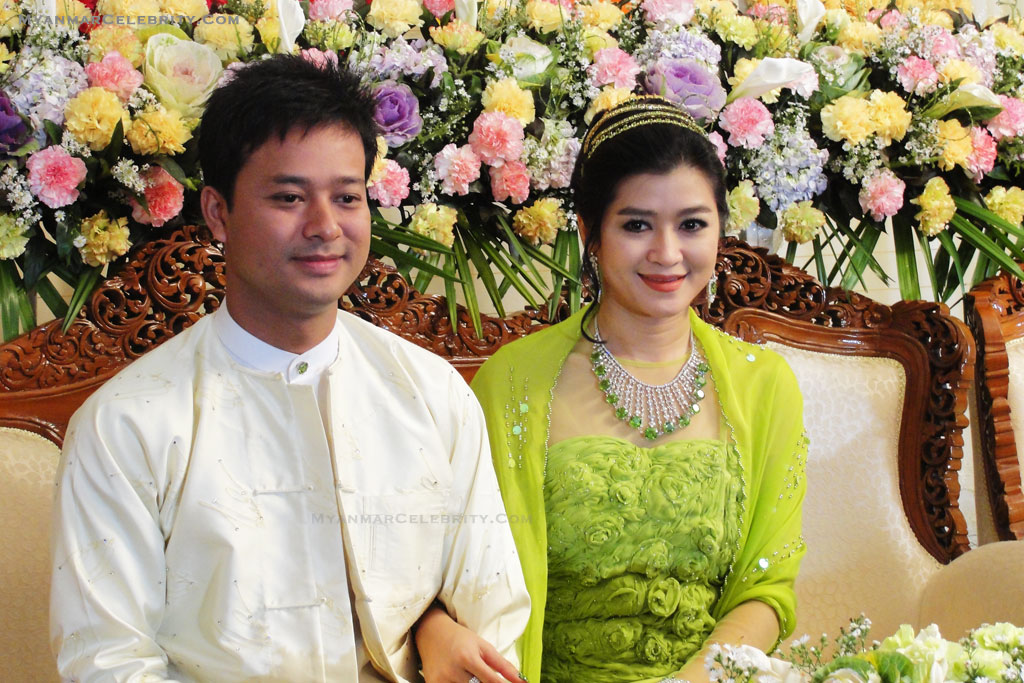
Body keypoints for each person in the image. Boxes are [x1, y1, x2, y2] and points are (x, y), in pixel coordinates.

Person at [50, 55, 530, 682]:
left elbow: (489, 614)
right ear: (218, 212)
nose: (325, 226)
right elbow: (108, 664)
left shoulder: (431, 393)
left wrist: (437, 629)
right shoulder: (126, 426)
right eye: (288, 197)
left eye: (347, 197)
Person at [469, 96, 808, 682]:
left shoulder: (764, 384)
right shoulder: (513, 383)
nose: (667, 254)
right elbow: (473, 579)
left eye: (692, 225)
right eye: (636, 225)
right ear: (589, 234)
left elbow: (767, 586)